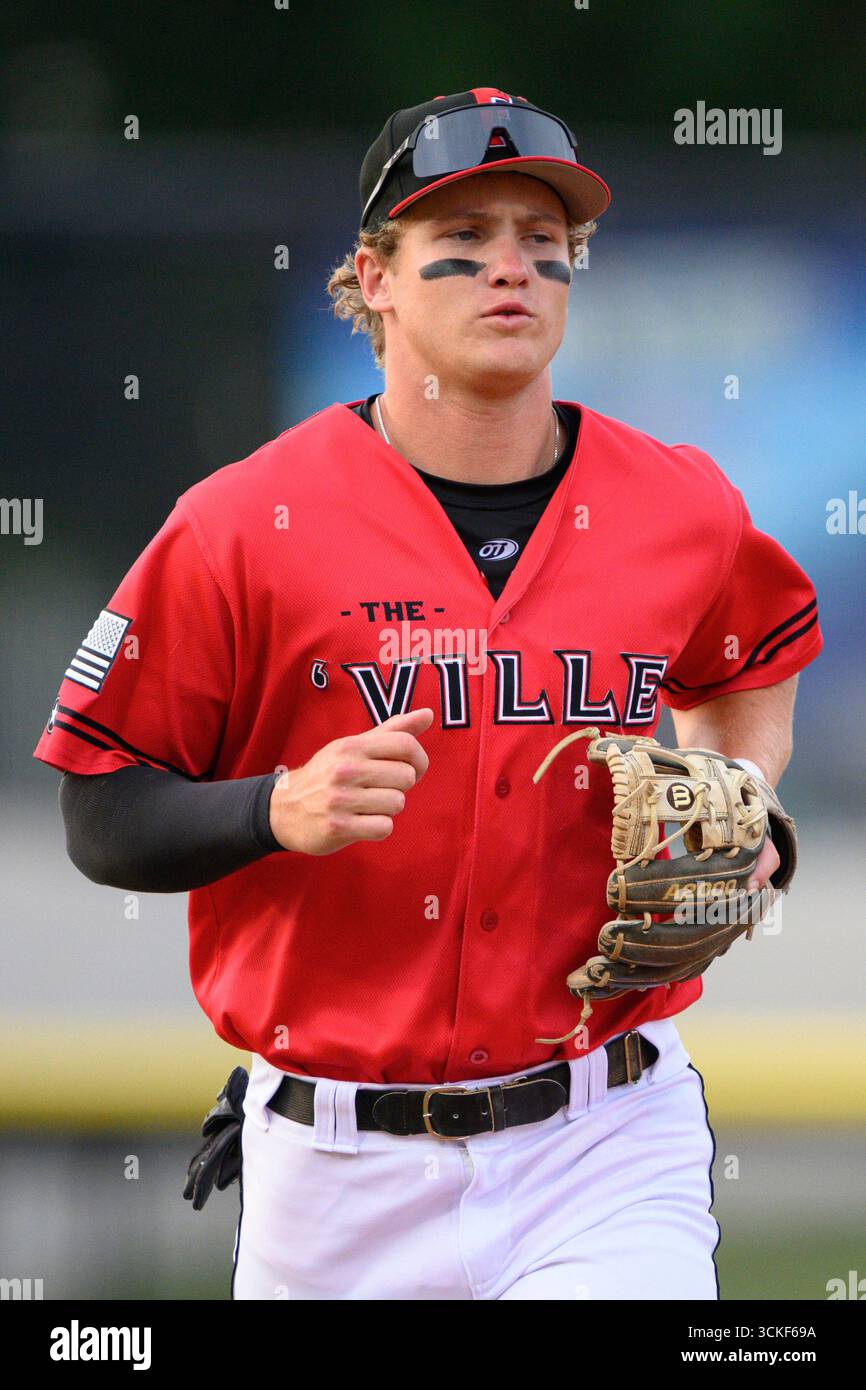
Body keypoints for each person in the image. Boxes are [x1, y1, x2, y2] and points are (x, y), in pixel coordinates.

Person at [34, 88, 822, 1300]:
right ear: (375, 276)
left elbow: (748, 665)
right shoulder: (243, 525)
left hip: (602, 1137)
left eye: (541, 243)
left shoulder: (676, 504)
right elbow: (100, 810)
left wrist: (741, 795)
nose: (509, 266)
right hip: (329, 1171)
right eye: (460, 237)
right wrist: (271, 809)